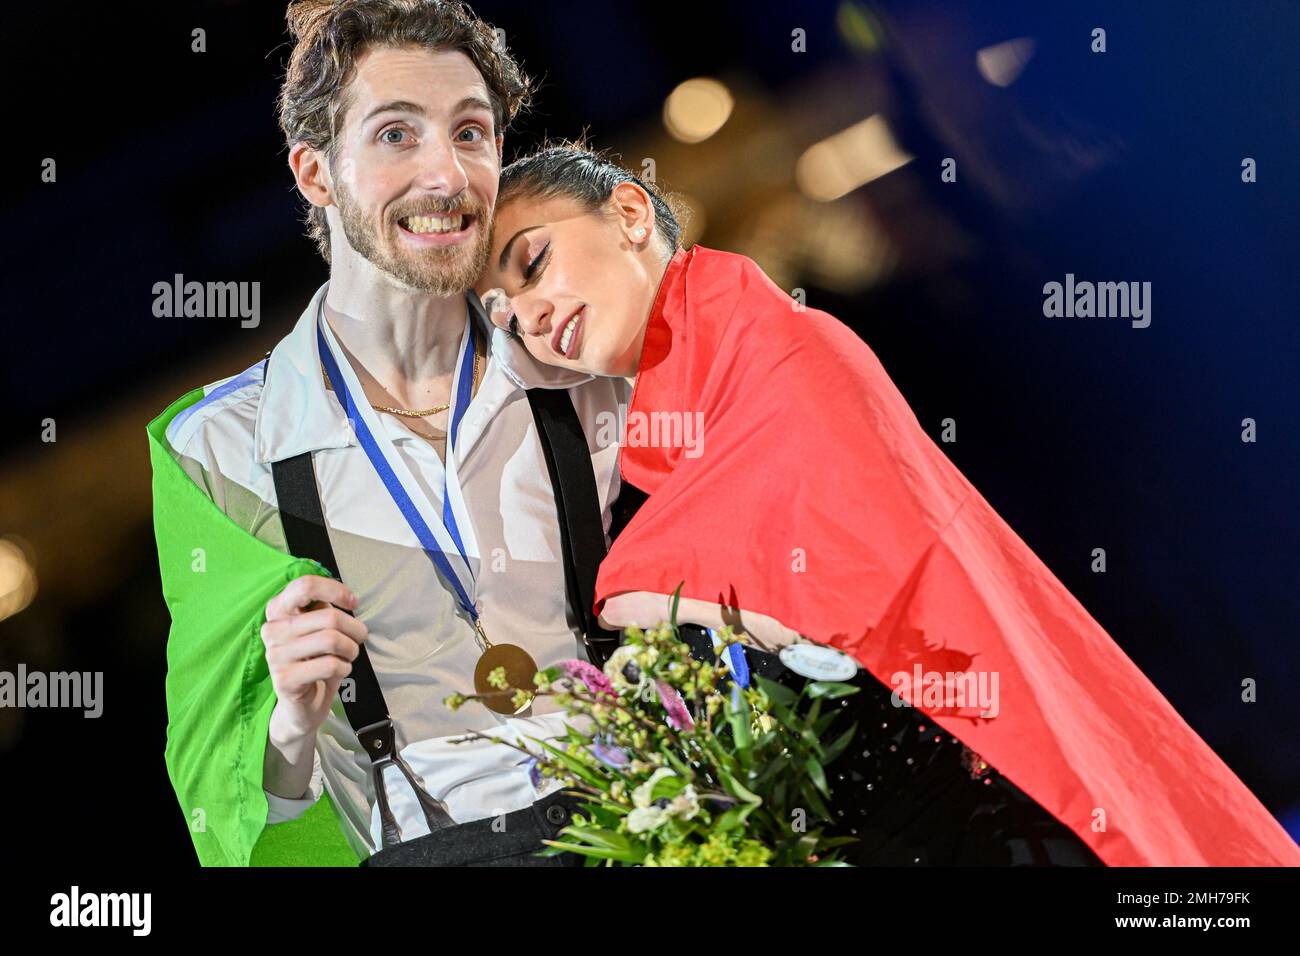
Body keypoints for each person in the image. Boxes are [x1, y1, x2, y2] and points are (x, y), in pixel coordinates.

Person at [475, 142, 1300, 866]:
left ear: (627, 212)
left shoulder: (785, 353)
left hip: (999, 806)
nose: (532, 317)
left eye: (533, 262)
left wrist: (645, 592)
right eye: (506, 318)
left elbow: (840, 604)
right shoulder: (665, 460)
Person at [151, 1, 627, 866]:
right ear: (315, 174)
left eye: (472, 132)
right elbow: (229, 802)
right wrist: (293, 717)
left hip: (645, 827)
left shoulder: (586, 371)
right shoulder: (216, 452)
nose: (446, 175)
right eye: (396, 135)